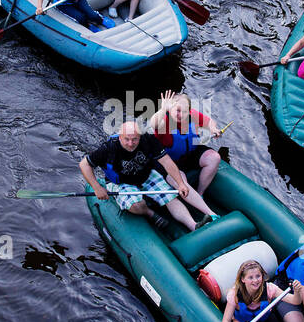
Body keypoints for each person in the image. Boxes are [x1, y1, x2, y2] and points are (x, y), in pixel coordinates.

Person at [79, 121, 219, 232]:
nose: (130, 144)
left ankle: (193, 225)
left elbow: (166, 161)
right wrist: (96, 187)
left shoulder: (148, 139)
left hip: (146, 175)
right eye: (126, 139)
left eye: (134, 139)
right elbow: (84, 164)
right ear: (120, 137)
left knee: (170, 197)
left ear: (140, 136)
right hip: (121, 182)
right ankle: (149, 213)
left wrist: (180, 183)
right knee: (136, 205)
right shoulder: (108, 148)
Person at [220, 261, 304, 322]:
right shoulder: (234, 294)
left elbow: (295, 301)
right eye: (250, 277)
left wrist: (297, 292)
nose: (255, 280)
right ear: (243, 279)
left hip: (265, 319)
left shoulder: (270, 288)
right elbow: (225, 321)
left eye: (258, 276)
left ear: (262, 276)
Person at [149, 90, 222, 196]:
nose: (181, 115)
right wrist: (163, 109)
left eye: (184, 111)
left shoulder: (192, 115)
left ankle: (200, 193)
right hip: (171, 163)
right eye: (178, 110)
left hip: (190, 155)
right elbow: (154, 124)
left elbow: (209, 122)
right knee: (182, 181)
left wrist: (213, 129)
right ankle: (190, 197)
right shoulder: (164, 122)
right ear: (171, 108)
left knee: (214, 158)